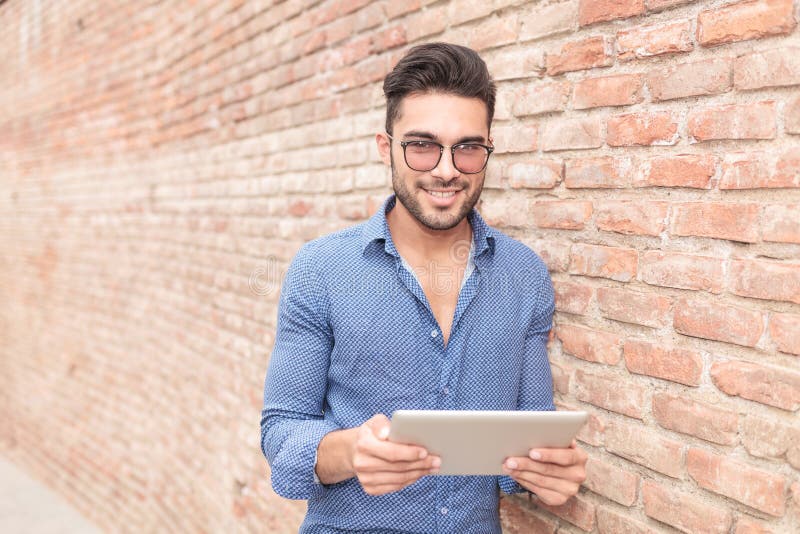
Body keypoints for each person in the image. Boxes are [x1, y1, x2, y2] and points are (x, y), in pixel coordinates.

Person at [260, 42, 587, 533]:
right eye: (422, 145)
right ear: (384, 147)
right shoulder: (320, 269)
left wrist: (547, 473)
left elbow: (527, 435)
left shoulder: (524, 276)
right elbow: (282, 433)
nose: (446, 169)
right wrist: (349, 451)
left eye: (468, 147)